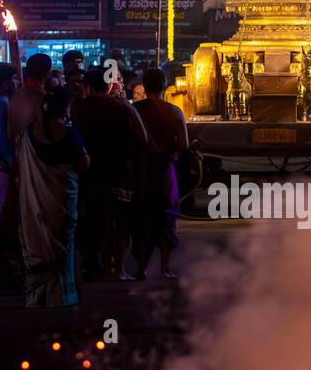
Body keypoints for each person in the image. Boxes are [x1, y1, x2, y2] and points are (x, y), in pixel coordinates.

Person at [14, 85, 89, 307]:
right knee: (63, 246)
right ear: (66, 107)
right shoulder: (69, 134)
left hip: (34, 206)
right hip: (62, 204)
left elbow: (18, 168)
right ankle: (62, 297)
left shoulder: (28, 133)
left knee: (39, 245)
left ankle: (37, 297)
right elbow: (83, 164)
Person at [73, 64, 147, 278]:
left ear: (87, 87)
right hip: (119, 172)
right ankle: (119, 269)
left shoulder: (79, 108)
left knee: (99, 223)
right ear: (107, 86)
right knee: (119, 224)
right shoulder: (123, 106)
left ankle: (105, 267)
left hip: (91, 174)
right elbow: (142, 138)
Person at [133, 67, 187, 280]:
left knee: (142, 219)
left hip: (141, 171)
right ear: (164, 85)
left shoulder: (135, 110)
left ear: (144, 86)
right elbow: (183, 144)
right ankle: (164, 267)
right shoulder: (174, 112)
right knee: (166, 218)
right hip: (165, 170)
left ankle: (140, 269)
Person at [8, 52, 51, 146]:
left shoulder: (14, 97)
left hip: (19, 152)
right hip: (37, 154)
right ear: (48, 73)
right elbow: (48, 129)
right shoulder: (42, 98)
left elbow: (10, 133)